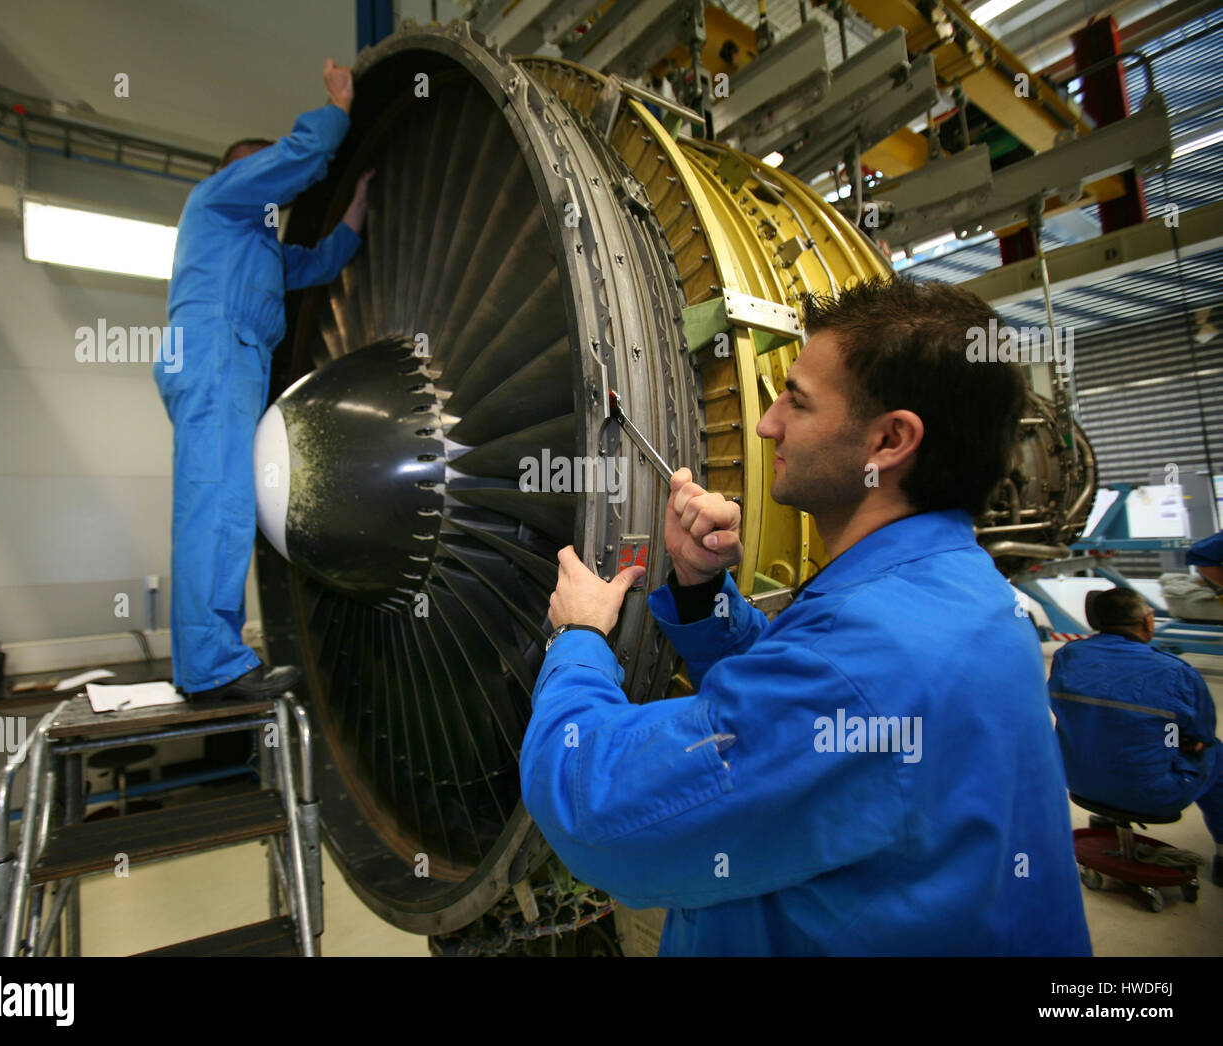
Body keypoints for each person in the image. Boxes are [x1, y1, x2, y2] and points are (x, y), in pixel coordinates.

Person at [520, 276, 1092, 956]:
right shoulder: (961, 594)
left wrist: (580, 636)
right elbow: (796, 707)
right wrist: (703, 592)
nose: (767, 425)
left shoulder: (864, 666)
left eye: (796, 401)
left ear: (889, 441)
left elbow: (597, 812)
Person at [155, 58, 374, 702]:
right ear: (235, 173)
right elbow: (296, 159)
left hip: (230, 364)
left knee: (223, 502)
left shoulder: (260, 249)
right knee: (214, 503)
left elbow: (322, 260)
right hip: (214, 353)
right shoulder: (218, 200)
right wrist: (337, 108)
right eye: (257, 168)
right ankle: (209, 667)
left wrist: (358, 207)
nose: (267, 183)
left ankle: (211, 657)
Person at [1049, 586, 1223, 886]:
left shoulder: (1068, 657)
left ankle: (1105, 821)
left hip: (1076, 781)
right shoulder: (1175, 671)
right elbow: (1201, 734)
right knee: (1216, 753)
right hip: (1152, 794)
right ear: (1147, 621)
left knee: (1097, 726)